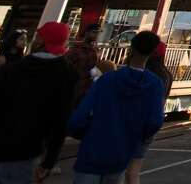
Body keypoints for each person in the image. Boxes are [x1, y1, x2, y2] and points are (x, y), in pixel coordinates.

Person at [0, 22, 77, 184]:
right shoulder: (67, 75)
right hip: (27, 154)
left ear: (39, 40)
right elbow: (60, 121)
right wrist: (50, 160)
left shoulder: (12, 68)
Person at [69, 30, 165, 184]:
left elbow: (82, 113)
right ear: (153, 52)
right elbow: (155, 121)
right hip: (122, 152)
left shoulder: (107, 79)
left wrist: (80, 132)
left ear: (131, 48)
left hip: (93, 148)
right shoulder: (154, 84)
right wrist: (135, 137)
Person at [125, 42, 175, 184]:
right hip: (149, 124)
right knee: (134, 171)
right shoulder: (166, 75)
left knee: (117, 169)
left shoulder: (138, 74)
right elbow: (161, 103)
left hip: (129, 122)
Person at [65, 24, 102, 105]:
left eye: (98, 33)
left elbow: (95, 66)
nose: (96, 35)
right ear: (86, 32)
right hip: (75, 85)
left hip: (88, 86)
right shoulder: (76, 47)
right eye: (94, 32)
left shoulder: (96, 49)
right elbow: (67, 64)